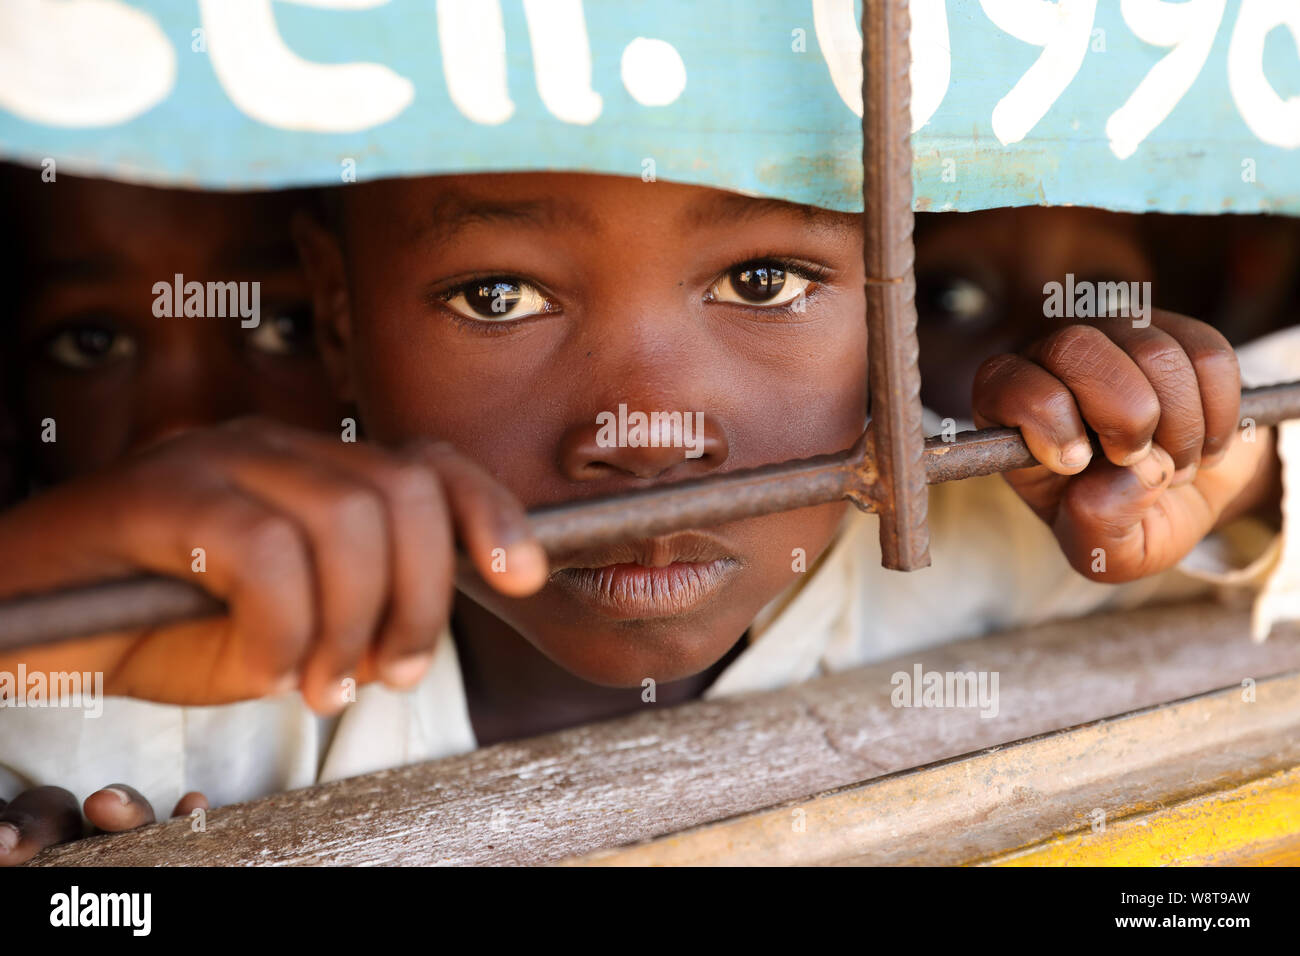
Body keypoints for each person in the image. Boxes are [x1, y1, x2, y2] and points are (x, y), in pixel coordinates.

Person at [0, 171, 1292, 865]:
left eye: (764, 278)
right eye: (498, 297)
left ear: (889, 284)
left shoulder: (995, 545)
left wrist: (1224, 465)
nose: (647, 430)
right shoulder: (178, 701)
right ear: (337, 316)